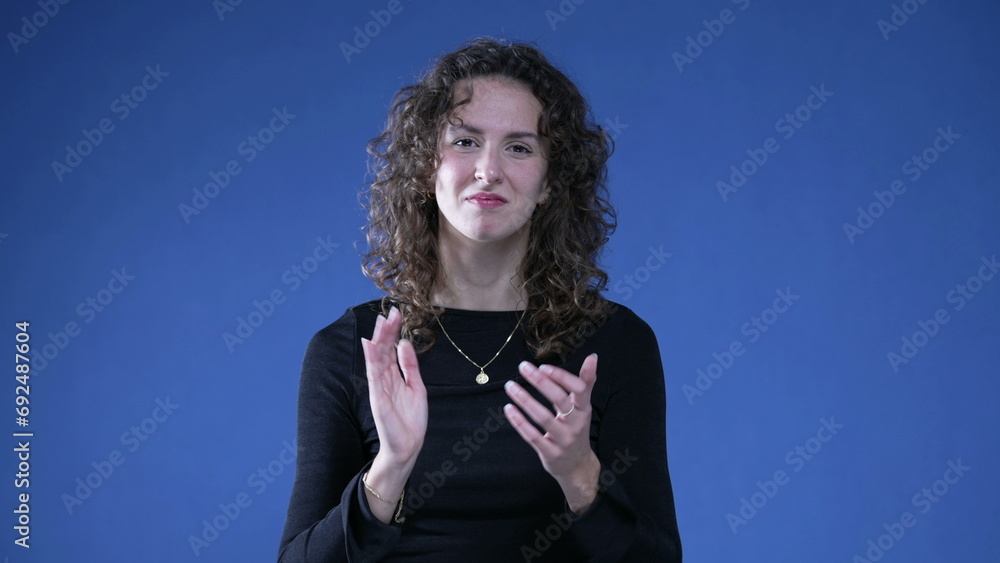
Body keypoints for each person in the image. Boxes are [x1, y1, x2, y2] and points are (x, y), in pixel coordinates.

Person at [277, 37, 682, 562]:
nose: (488, 171)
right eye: (465, 142)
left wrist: (581, 475)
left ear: (549, 183)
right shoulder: (353, 349)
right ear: (427, 166)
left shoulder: (616, 343)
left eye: (519, 147)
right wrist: (391, 468)